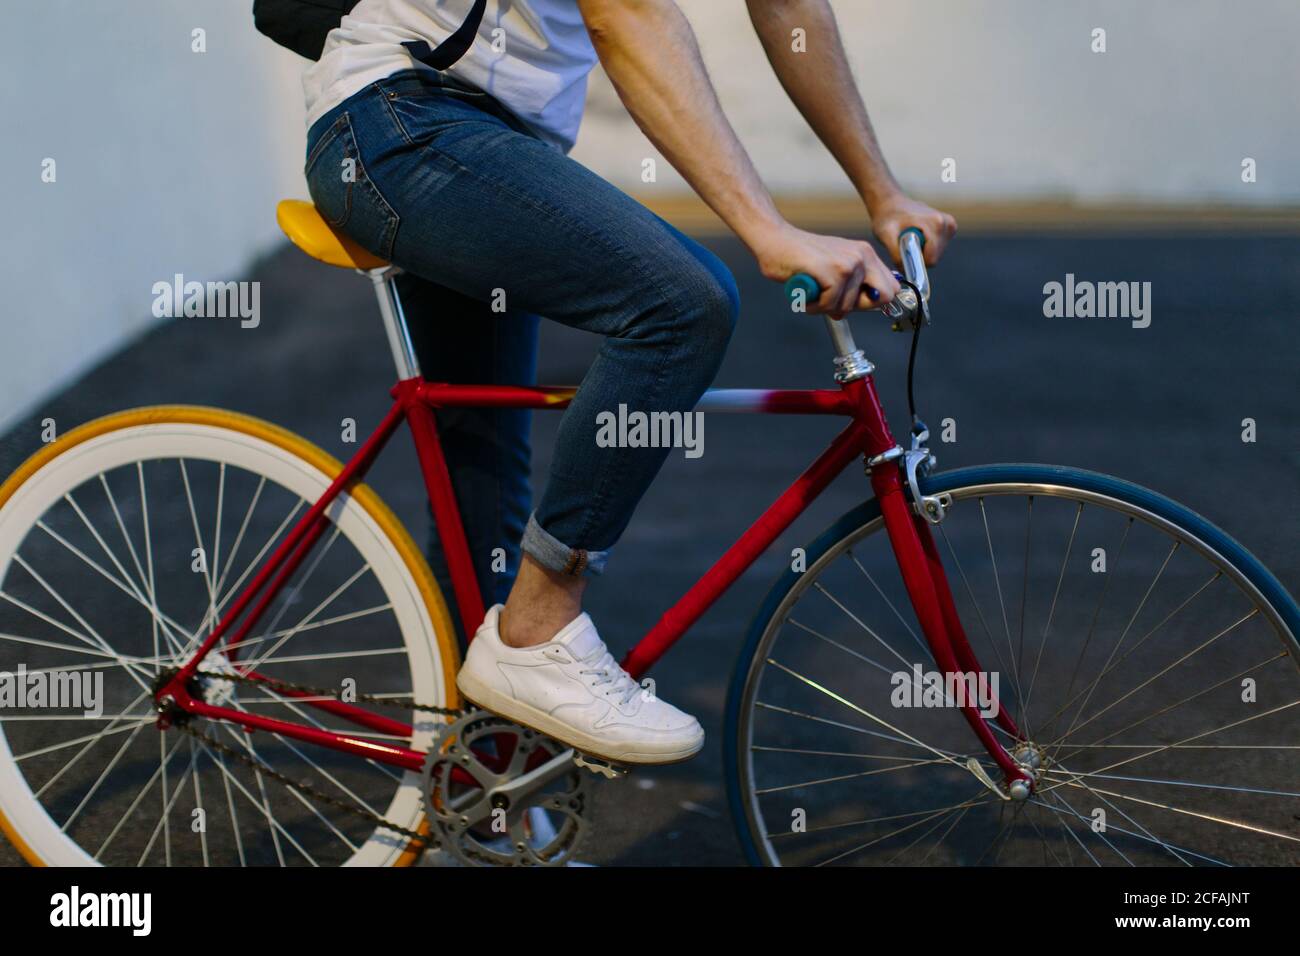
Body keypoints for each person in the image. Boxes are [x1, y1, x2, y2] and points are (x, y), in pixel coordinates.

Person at [302, 0, 957, 765]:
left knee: (484, 478)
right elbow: (631, 14)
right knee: (680, 305)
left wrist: (883, 192)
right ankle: (539, 626)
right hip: (400, 122)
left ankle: (486, 805)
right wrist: (768, 231)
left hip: (479, 141)